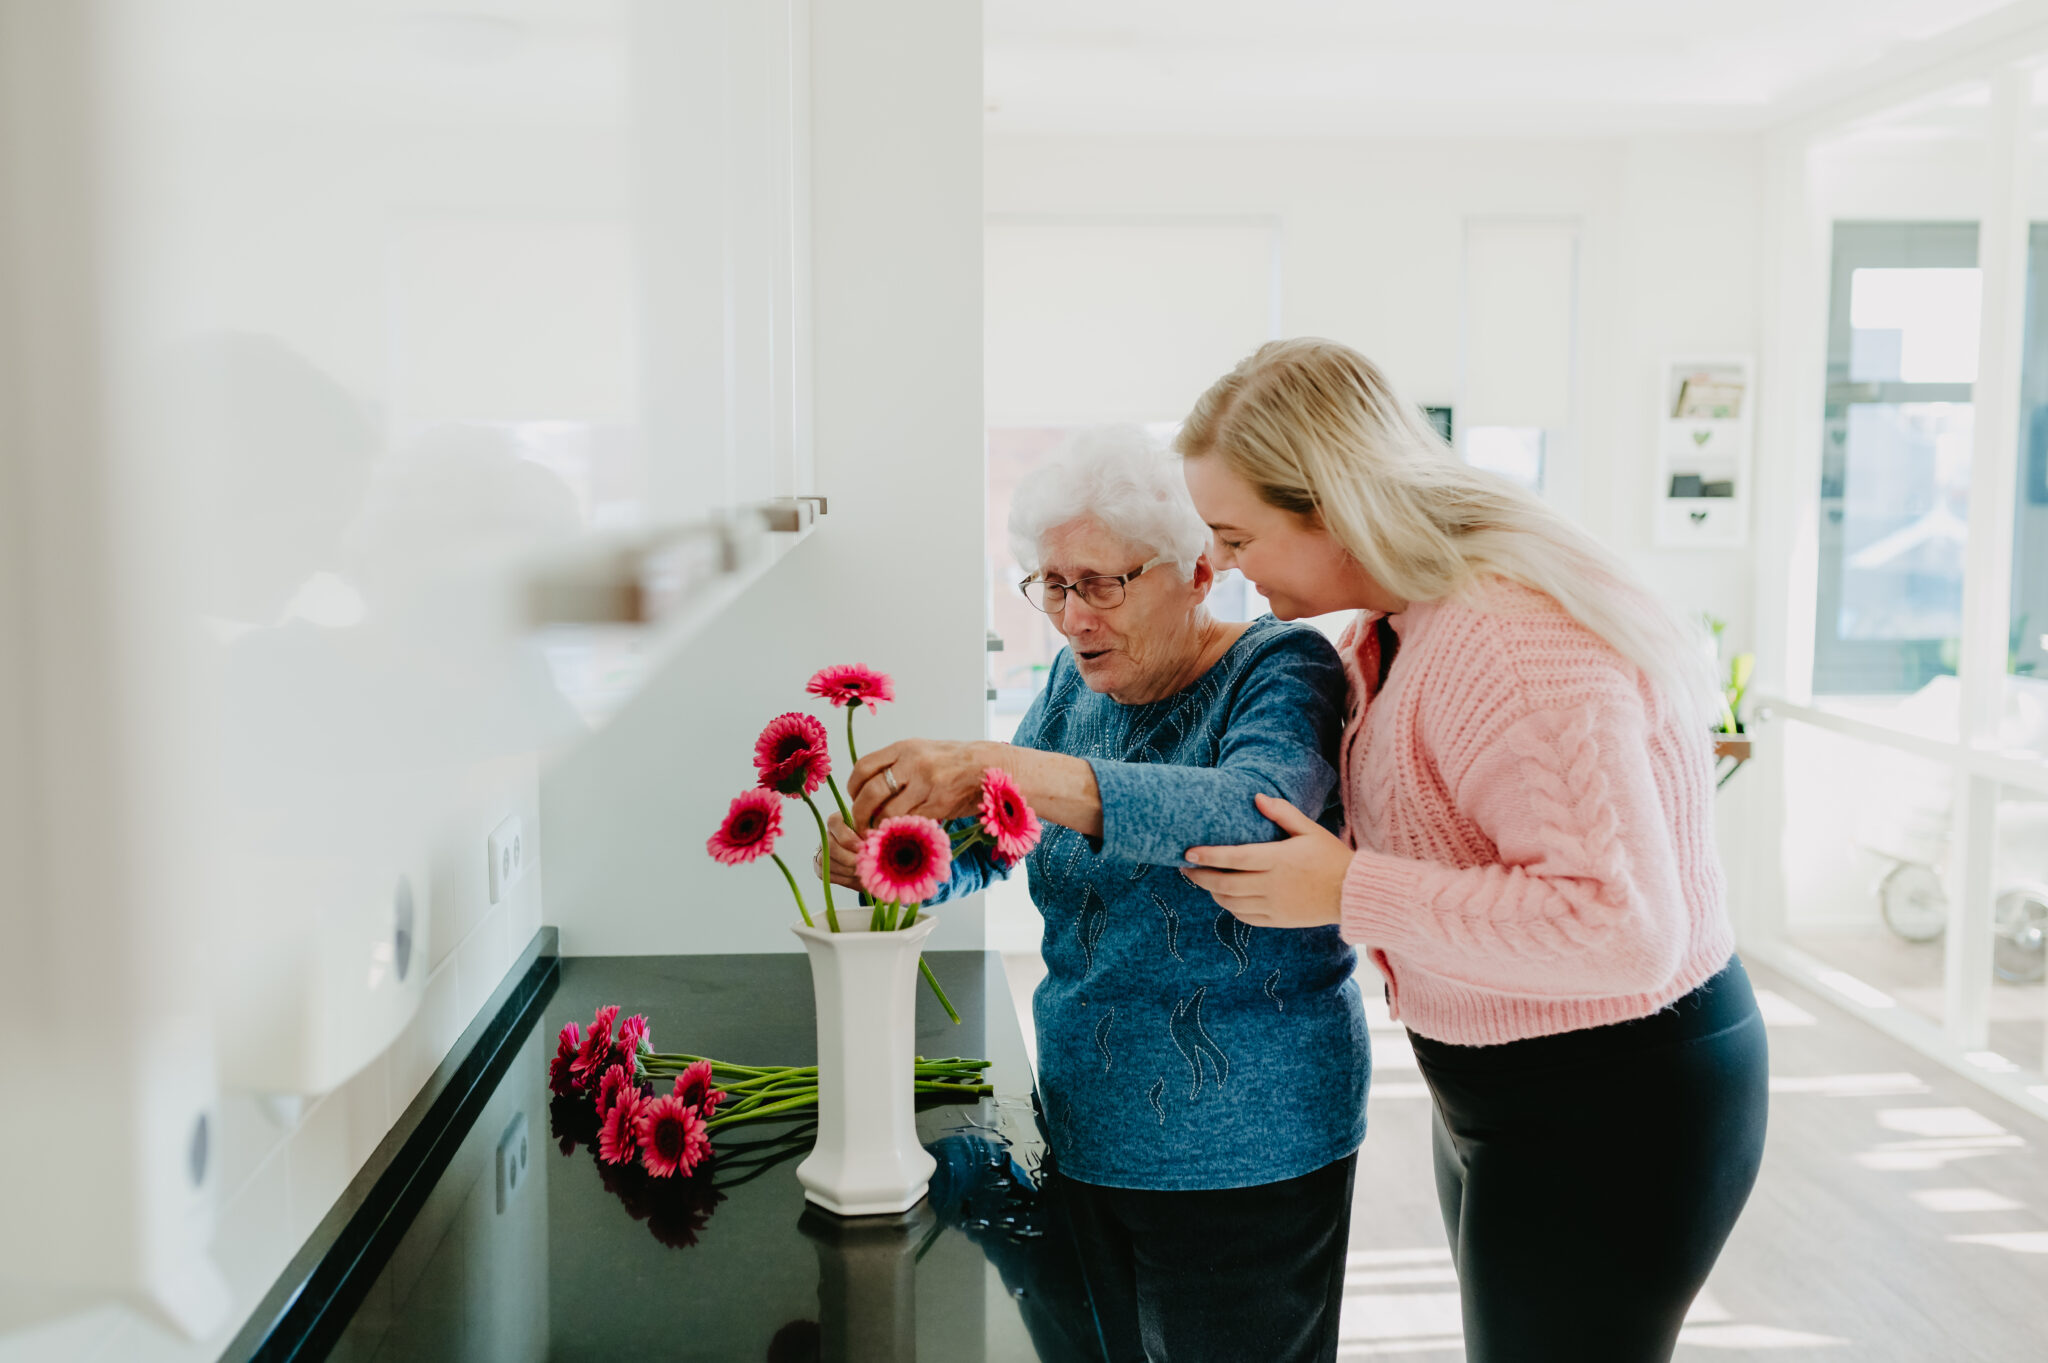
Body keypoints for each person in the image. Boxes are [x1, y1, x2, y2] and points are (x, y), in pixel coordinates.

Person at [1174, 338, 1769, 1363]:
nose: (1224, 564)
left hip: (1614, 1099)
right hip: (1505, 1089)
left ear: (1331, 507)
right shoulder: (1397, 625)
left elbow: (1622, 926)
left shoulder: (1508, 638)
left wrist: (1351, 890)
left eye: (1237, 536)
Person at [819, 427, 1369, 1363]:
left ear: (1198, 573)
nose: (1074, 618)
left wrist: (1000, 763)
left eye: (1103, 584)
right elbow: (1004, 838)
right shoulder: (1075, 693)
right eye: (1053, 585)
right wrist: (904, 858)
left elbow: (1249, 816)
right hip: (1087, 1121)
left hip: (1248, 1149)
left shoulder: (1282, 668)